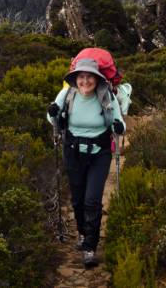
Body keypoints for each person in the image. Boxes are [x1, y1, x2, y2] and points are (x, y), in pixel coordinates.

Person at [46, 58, 126, 268]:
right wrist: (53, 113)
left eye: (89, 76)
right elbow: (51, 114)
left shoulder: (105, 95)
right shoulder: (67, 94)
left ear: (96, 78)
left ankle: (90, 247)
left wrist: (118, 127)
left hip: (99, 153)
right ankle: (83, 234)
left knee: (92, 200)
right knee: (78, 201)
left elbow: (120, 123)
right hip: (73, 152)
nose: (85, 81)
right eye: (81, 77)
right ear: (75, 78)